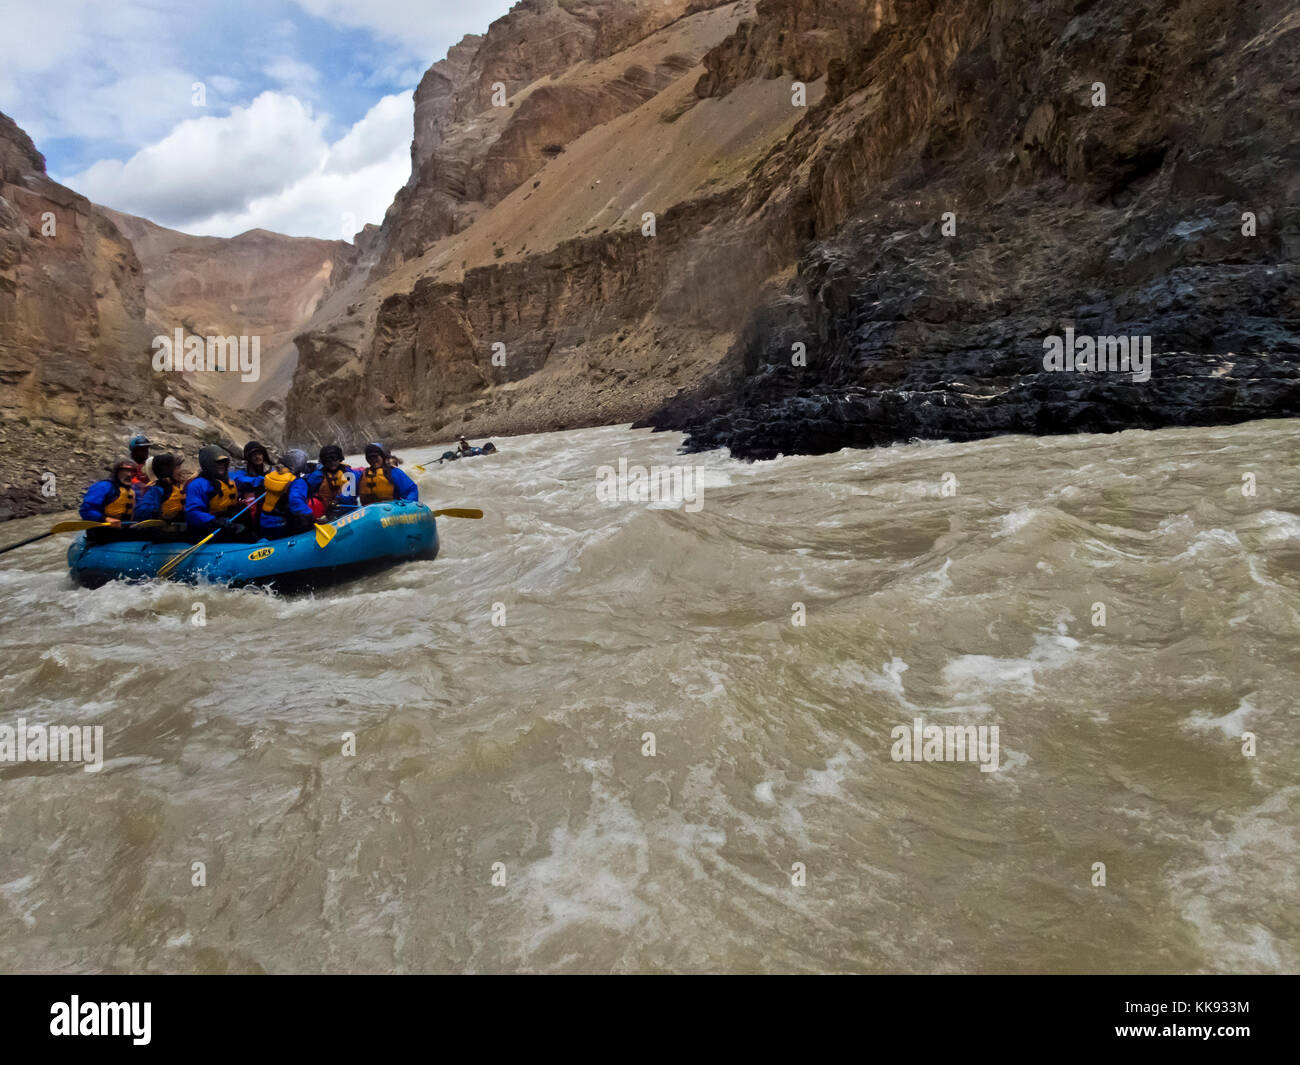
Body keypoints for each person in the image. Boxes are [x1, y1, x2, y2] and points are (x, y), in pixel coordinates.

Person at [184, 446, 247, 539]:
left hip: (225, 524)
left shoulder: (229, 481)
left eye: (224, 462)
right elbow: (193, 512)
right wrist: (214, 521)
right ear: (208, 464)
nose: (221, 465)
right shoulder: (197, 485)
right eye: (217, 462)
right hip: (205, 529)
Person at [258, 450, 315, 538]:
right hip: (280, 526)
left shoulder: (274, 474)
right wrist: (310, 518)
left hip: (263, 522)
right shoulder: (297, 481)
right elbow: (295, 501)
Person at [307, 444, 361, 518]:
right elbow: (305, 490)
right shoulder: (317, 476)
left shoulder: (349, 473)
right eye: (328, 460)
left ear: (340, 459)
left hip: (351, 511)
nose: (332, 463)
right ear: (323, 462)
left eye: (335, 459)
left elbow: (351, 493)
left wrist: (338, 500)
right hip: (330, 514)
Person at [80, 459, 138, 524]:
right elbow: (86, 510)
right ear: (116, 472)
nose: (129, 475)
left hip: (125, 527)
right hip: (103, 528)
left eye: (132, 471)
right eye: (125, 471)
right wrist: (105, 519)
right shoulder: (104, 486)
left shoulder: (132, 490)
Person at [136, 453, 189, 524]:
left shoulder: (179, 487)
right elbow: (143, 514)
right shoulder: (158, 489)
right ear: (166, 470)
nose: (180, 471)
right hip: (162, 532)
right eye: (177, 468)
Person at [128, 435, 153, 504]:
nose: (145, 452)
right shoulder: (128, 466)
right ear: (134, 451)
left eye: (146, 449)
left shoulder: (149, 465)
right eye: (142, 450)